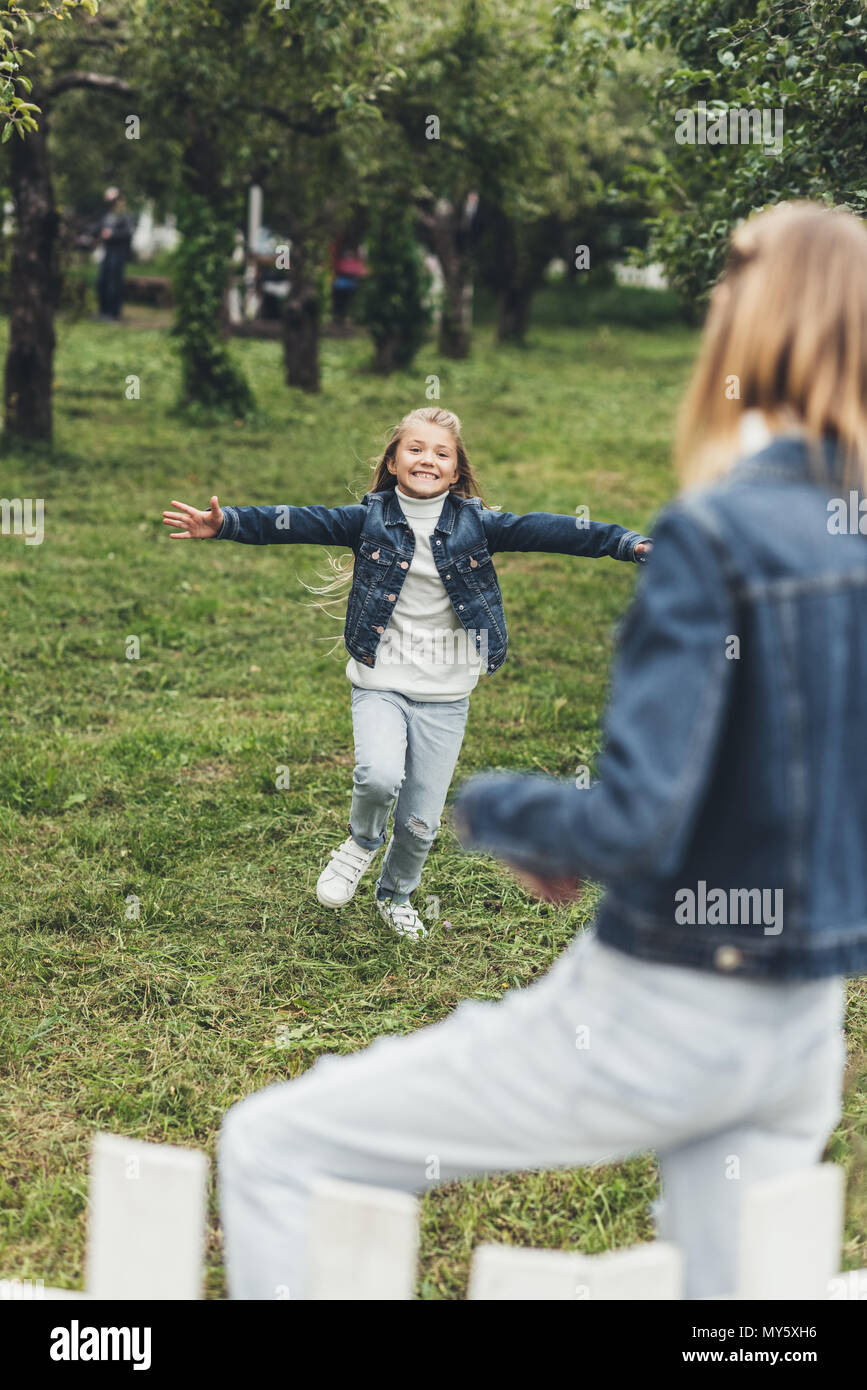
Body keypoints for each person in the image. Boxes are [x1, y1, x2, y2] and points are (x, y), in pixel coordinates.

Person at [214, 203, 867, 1301]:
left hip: (662, 1009)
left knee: (274, 1145)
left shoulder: (720, 535)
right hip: (805, 1030)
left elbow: (632, 821)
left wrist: (503, 812)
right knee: (735, 1308)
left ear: (756, 326)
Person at [161, 408, 650, 939]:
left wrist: (624, 543)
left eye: (442, 453)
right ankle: (362, 843)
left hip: (445, 694)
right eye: (415, 449)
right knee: (377, 775)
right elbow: (294, 520)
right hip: (382, 682)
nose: (427, 459)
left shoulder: (477, 525)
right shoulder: (366, 519)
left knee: (421, 825)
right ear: (393, 462)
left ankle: (395, 894)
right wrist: (226, 522)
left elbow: (553, 532)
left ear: (457, 471)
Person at [96, 187, 134, 320]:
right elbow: (97, 227)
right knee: (102, 281)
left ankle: (113, 313)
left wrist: (112, 235)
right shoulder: (107, 215)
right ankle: (103, 311)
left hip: (118, 252)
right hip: (107, 251)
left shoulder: (125, 215)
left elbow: (128, 233)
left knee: (114, 283)